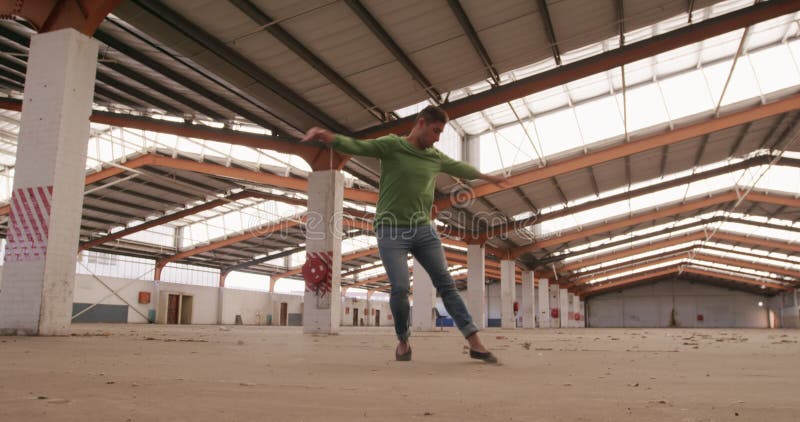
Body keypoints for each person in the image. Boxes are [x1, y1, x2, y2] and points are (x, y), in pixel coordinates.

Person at [302, 105, 508, 363]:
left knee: (446, 285)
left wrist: (486, 177)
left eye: (441, 132)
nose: (437, 137)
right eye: (435, 131)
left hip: (423, 229)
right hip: (390, 229)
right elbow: (358, 147)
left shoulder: (434, 157)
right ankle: (403, 340)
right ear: (421, 123)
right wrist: (327, 136)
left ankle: (475, 343)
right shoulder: (392, 146)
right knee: (399, 288)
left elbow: (459, 168)